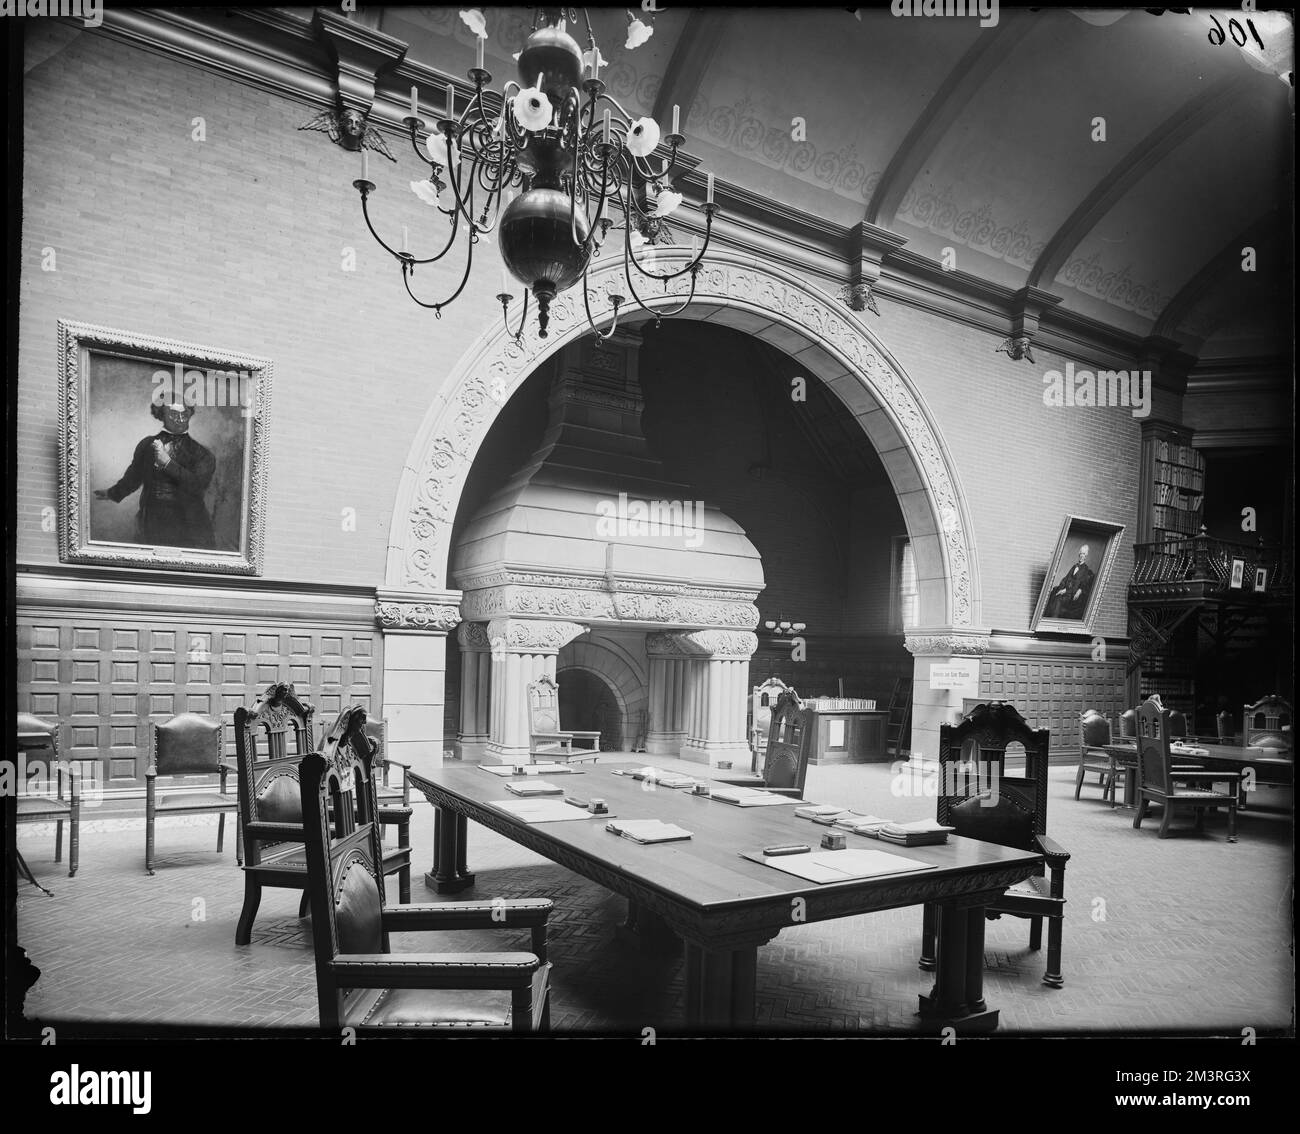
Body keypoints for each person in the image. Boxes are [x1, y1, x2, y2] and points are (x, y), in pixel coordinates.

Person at [94, 401, 217, 548]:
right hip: (153, 520)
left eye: (184, 414)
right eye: (173, 414)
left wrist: (167, 463)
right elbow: (133, 477)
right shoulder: (147, 445)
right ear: (161, 415)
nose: (180, 419)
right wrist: (112, 493)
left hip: (189, 523)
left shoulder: (202, 453)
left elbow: (198, 486)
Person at [1044, 543, 1095, 619]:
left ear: (1086, 556)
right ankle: (1045, 617)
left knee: (1059, 599)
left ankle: (1053, 618)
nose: (1081, 555)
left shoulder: (1085, 569)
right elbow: (1066, 578)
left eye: (1083, 554)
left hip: (1071, 593)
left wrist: (1066, 590)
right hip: (1065, 589)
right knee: (1053, 592)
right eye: (1080, 553)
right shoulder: (1074, 566)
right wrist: (1061, 588)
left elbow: (1081, 585)